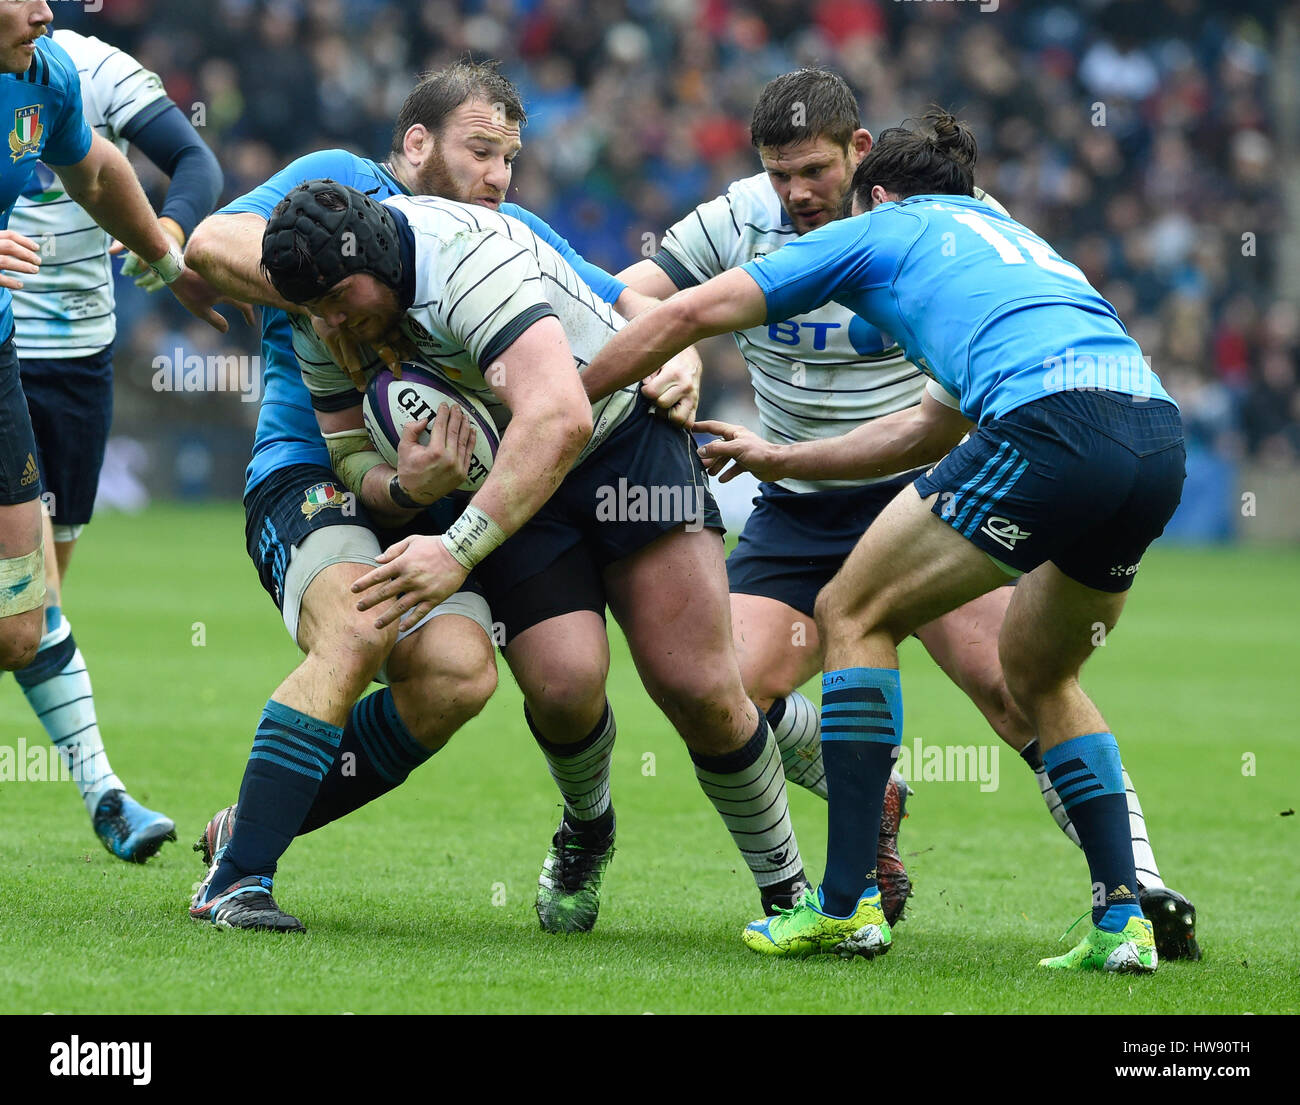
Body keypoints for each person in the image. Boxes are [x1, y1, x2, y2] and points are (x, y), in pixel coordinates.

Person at [606, 69, 1197, 956]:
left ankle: (869, 900)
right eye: (779, 173)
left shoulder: (903, 216)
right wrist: (724, 405)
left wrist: (566, 399)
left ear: (863, 159)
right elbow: (642, 290)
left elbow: (926, 423)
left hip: (963, 470)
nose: (797, 192)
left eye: (814, 169)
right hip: (1123, 438)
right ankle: (1112, 913)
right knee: (722, 686)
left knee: (963, 664)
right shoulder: (757, 218)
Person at [181, 62, 702, 931]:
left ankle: (258, 824)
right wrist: (333, 289)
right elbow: (210, 245)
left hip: (435, 499)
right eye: (481, 151)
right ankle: (237, 880)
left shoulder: (497, 230)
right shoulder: (340, 187)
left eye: (510, 157)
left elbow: (619, 299)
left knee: (460, 678)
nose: (499, 175)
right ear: (417, 143)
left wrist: (676, 353)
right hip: (312, 474)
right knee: (357, 625)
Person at [262, 177, 810, 935]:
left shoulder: (461, 261)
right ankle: (588, 827)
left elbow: (560, 417)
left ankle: (789, 892)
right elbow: (349, 450)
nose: (329, 318)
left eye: (337, 296)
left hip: (622, 438)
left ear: (379, 258)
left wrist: (455, 550)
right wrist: (398, 484)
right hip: (511, 484)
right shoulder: (320, 322)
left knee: (700, 686)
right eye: (311, 307)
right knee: (563, 684)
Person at [5, 26, 223, 862]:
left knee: (27, 605)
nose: (42, 9)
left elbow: (130, 166)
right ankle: (105, 790)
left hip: (76, 362)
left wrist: (167, 250)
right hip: (8, 345)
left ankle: (103, 792)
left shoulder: (64, 73)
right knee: (26, 603)